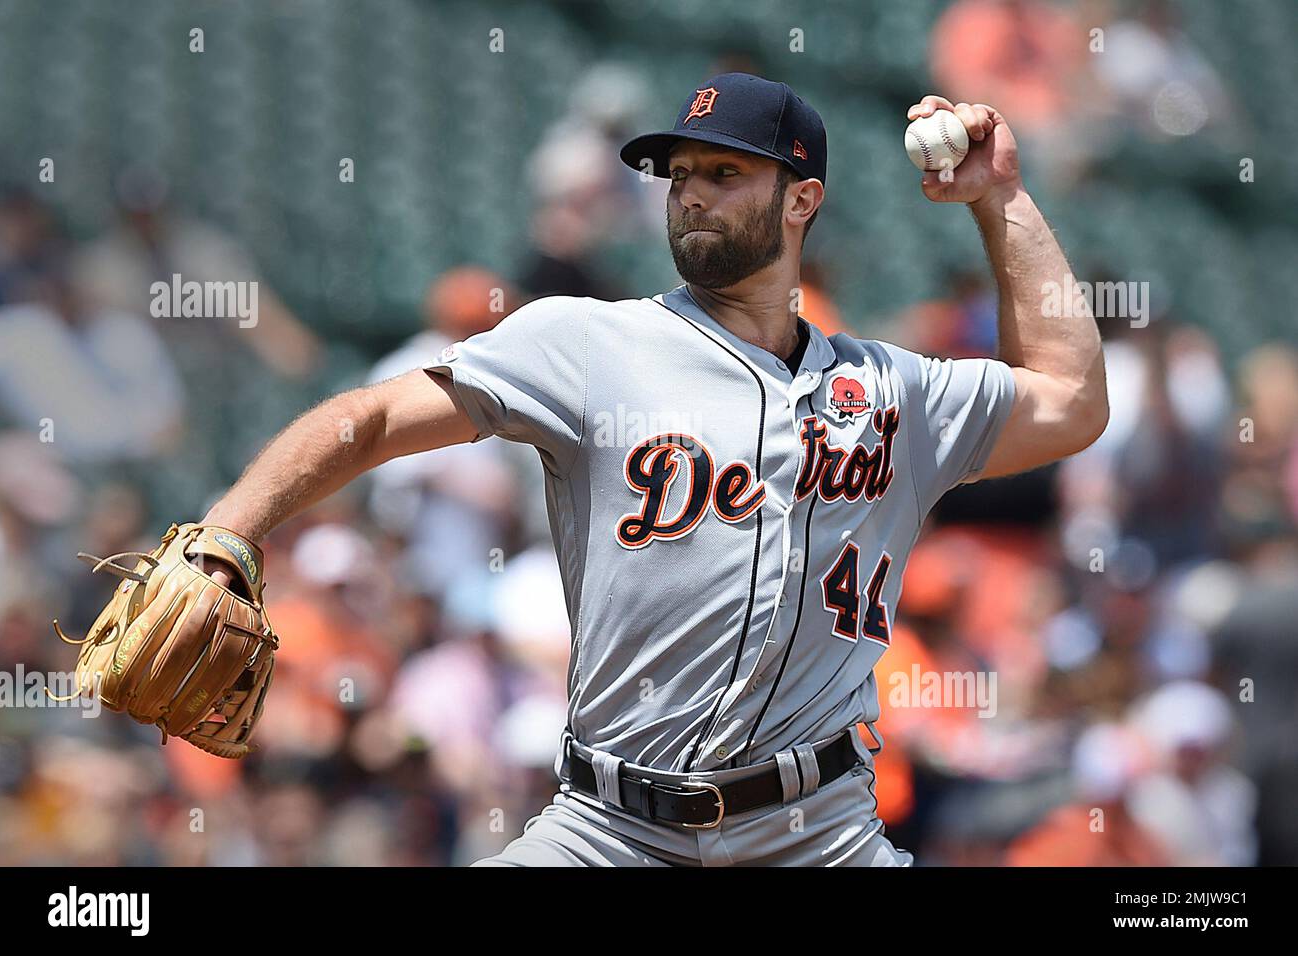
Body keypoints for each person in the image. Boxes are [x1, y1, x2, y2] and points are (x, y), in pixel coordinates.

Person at [199, 73, 1107, 866]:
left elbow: (1071, 399)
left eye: (724, 174)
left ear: (802, 199)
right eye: (680, 176)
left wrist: (1001, 197)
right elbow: (370, 420)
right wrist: (225, 538)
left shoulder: (893, 391)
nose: (692, 195)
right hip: (608, 827)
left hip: (817, 832)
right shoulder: (587, 342)